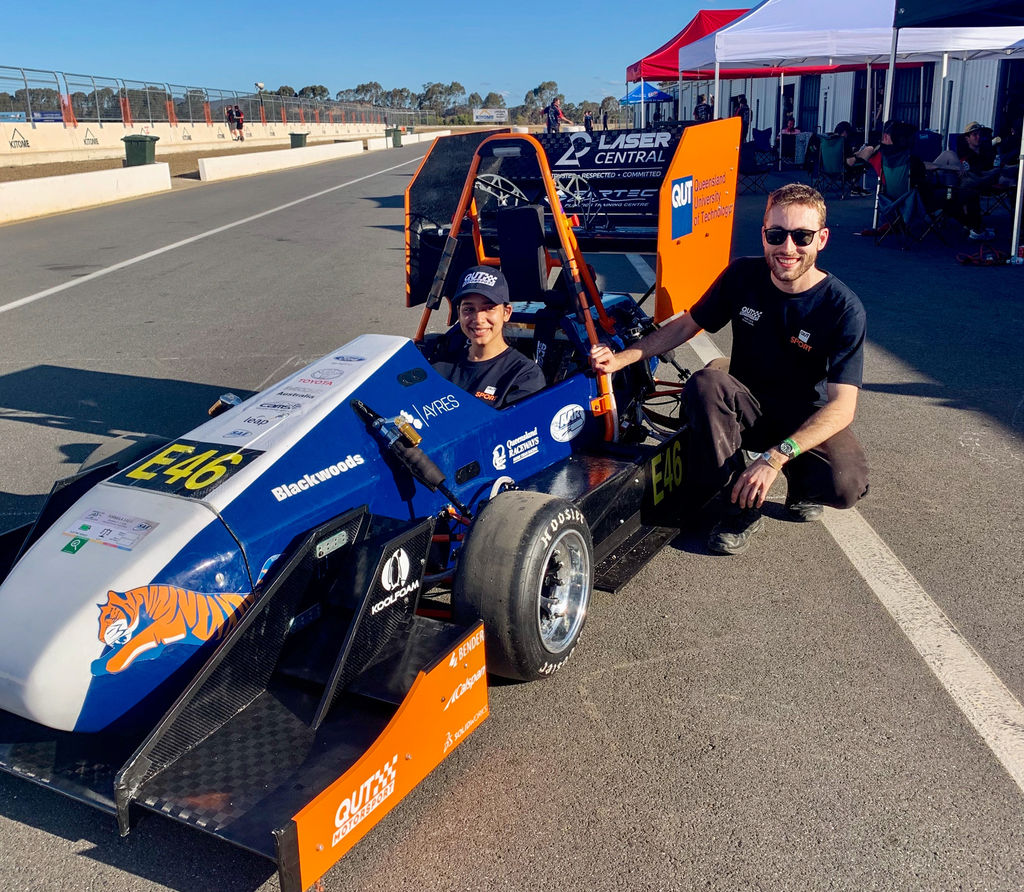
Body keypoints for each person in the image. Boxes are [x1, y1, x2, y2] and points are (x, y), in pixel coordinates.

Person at [591, 183, 868, 555]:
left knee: (844, 485)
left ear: (822, 239)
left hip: (803, 415)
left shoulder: (843, 308)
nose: (788, 248)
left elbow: (842, 407)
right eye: (777, 235)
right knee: (705, 384)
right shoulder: (741, 276)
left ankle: (798, 478)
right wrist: (623, 357)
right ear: (764, 236)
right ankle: (739, 506)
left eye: (802, 236)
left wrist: (776, 457)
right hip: (748, 402)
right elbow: (686, 325)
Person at [433, 266, 546, 409]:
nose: (478, 319)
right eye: (469, 309)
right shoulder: (439, 367)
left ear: (506, 312)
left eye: (488, 308)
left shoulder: (524, 375)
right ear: (459, 313)